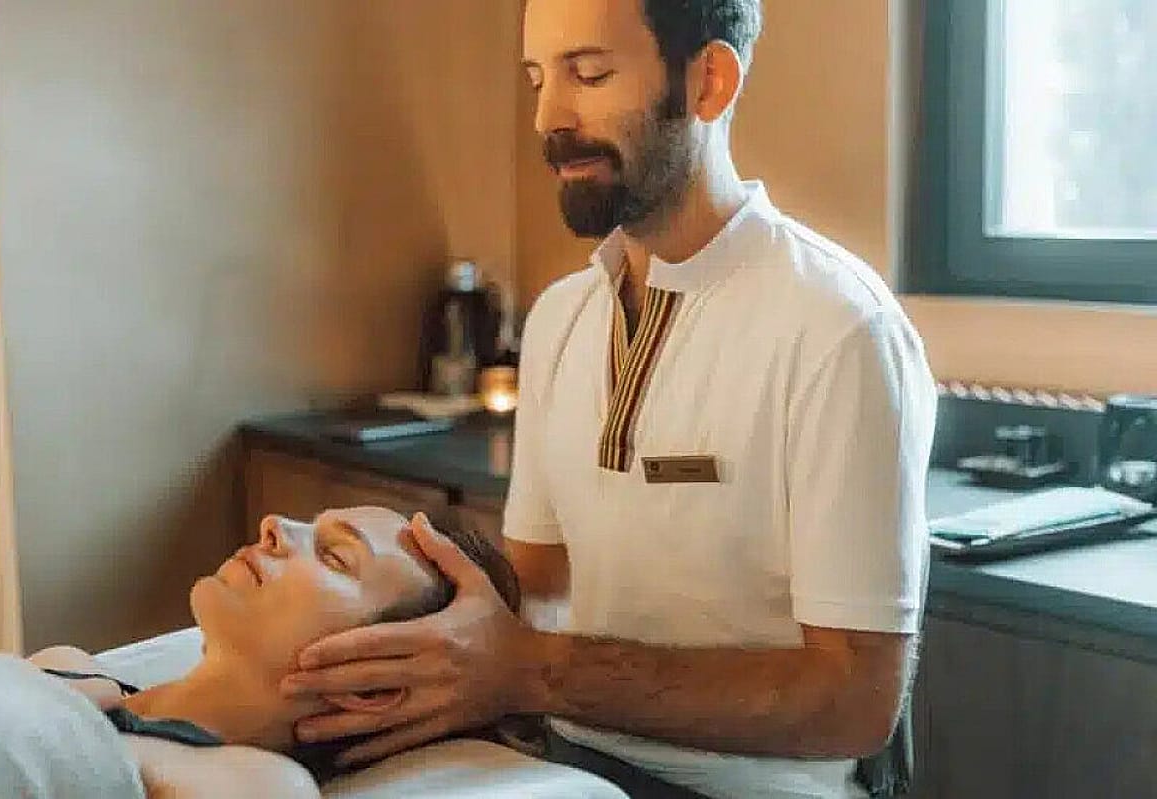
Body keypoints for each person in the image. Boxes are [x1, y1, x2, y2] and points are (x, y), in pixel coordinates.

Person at [280, 1, 937, 797]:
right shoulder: (563, 317)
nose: (549, 118)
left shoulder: (838, 330)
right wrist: (361, 612)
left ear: (709, 81)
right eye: (538, 79)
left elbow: (854, 698)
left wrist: (531, 672)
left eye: (589, 74)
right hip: (565, 762)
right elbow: (536, 584)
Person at [0, 507, 520, 798]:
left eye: (335, 556)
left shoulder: (253, 783)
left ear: (372, 685)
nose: (275, 525)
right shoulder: (69, 665)